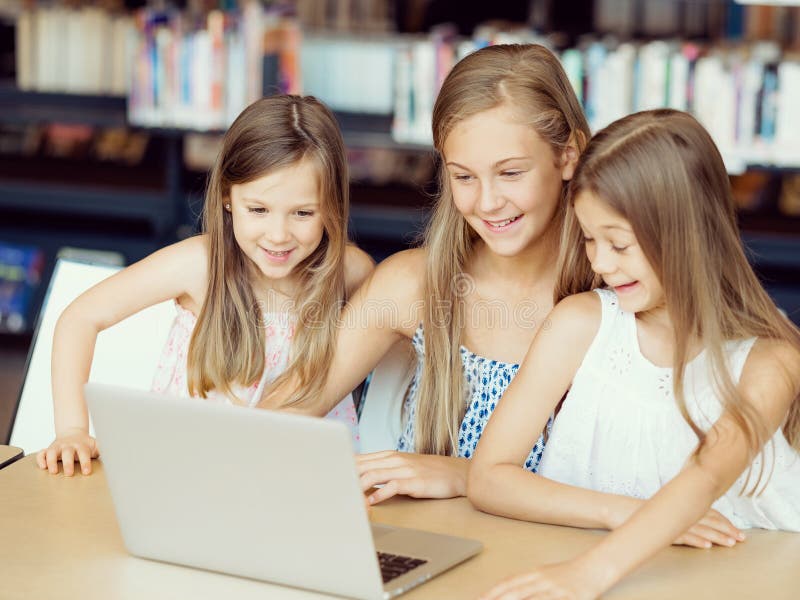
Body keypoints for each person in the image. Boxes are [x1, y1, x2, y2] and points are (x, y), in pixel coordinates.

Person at [469, 109, 800, 599]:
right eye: (589, 239)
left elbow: (705, 478)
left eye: (619, 245)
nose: (600, 264)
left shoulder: (772, 361)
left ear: (687, 234)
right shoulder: (580, 325)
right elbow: (489, 477)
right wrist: (622, 513)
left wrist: (587, 575)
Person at [265, 43, 590, 505]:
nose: (487, 201)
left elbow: (628, 489)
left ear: (568, 155)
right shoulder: (414, 285)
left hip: (551, 566)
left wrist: (463, 476)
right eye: (464, 177)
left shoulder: (612, 299)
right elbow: (280, 413)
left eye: (511, 173)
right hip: (421, 550)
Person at [37, 95, 374, 476]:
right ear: (229, 198)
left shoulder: (349, 271)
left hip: (306, 479)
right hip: (187, 473)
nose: (278, 235)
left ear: (332, 205)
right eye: (258, 210)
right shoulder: (200, 264)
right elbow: (80, 318)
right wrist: (71, 430)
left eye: (303, 213)